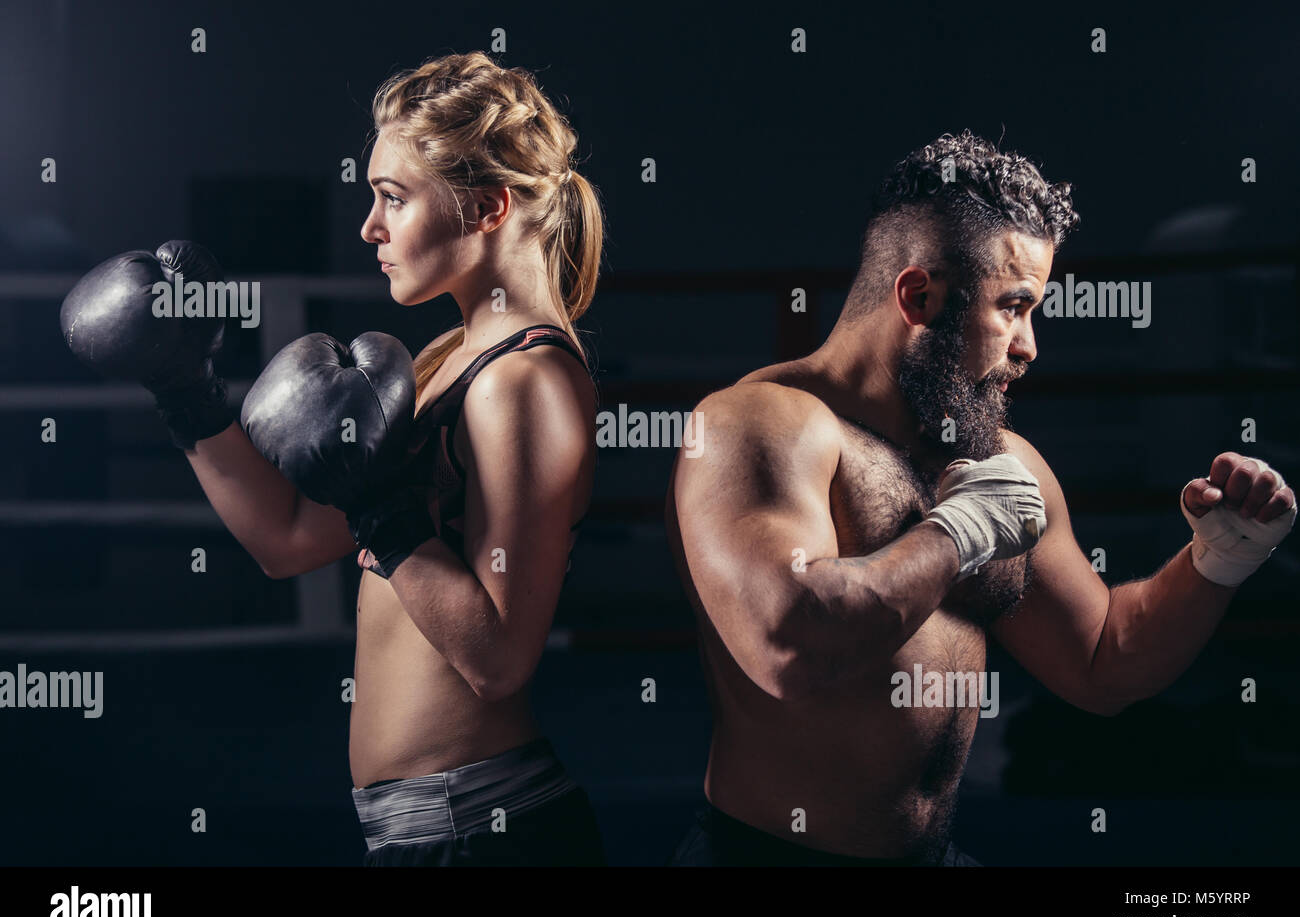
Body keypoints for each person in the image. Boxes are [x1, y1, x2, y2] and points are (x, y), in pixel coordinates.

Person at [664, 130, 1296, 866]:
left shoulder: (995, 460)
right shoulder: (759, 425)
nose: (1030, 346)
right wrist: (958, 533)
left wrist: (1216, 559)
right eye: (1015, 307)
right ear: (918, 296)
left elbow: (1101, 662)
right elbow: (788, 644)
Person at [60, 52, 606, 866]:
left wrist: (379, 507)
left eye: (393, 197)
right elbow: (287, 539)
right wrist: (186, 389)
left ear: (488, 207)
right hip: (427, 830)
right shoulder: (449, 358)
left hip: (484, 831)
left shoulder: (524, 383)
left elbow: (499, 659)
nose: (369, 227)